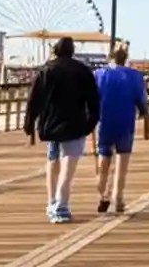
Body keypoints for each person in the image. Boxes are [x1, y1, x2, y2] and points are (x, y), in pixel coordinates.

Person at [24, 37, 99, 224]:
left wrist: (29, 124)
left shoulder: (46, 70)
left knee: (52, 162)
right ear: (72, 51)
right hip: (75, 124)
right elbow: (93, 102)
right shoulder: (83, 71)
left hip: (50, 124)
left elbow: (34, 100)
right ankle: (61, 205)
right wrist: (90, 124)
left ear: (55, 50)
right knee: (68, 165)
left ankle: (51, 201)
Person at [92, 46, 149, 214]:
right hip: (125, 121)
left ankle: (103, 193)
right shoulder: (135, 76)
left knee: (103, 161)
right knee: (122, 162)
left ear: (110, 57)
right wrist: (145, 116)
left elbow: (92, 99)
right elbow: (141, 100)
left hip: (104, 121)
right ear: (126, 59)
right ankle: (118, 197)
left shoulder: (99, 75)